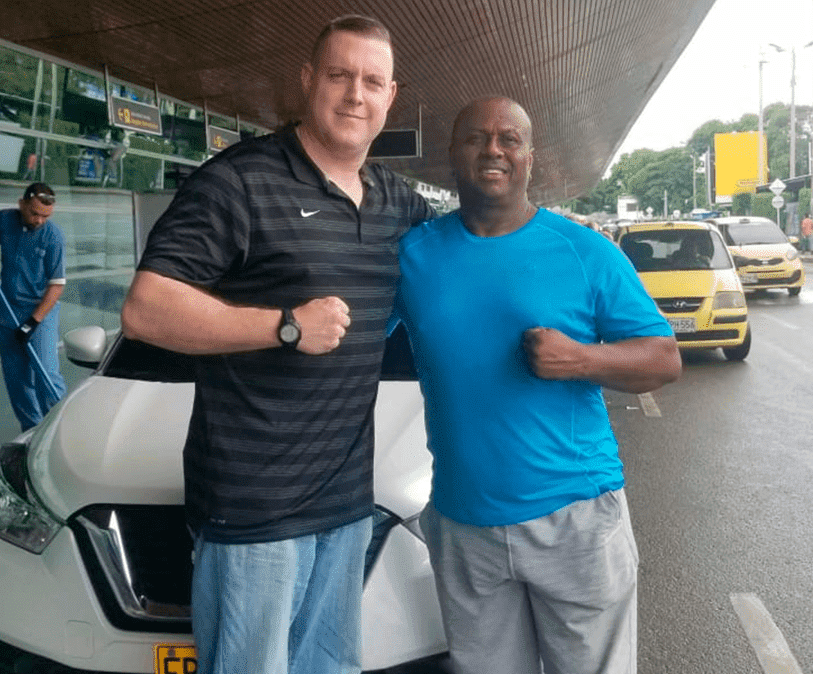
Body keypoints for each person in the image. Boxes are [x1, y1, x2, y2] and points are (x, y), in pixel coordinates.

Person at [120, 14, 434, 674]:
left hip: (347, 504)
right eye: (339, 75)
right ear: (306, 80)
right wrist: (283, 326)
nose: (355, 95)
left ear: (390, 97)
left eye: (371, 81)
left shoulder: (395, 204)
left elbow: (469, 266)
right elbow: (146, 309)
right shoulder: (239, 181)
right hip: (252, 511)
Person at [394, 97, 682, 674]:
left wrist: (580, 359)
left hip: (574, 517)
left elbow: (664, 358)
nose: (493, 149)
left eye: (509, 139)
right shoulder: (413, 255)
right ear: (452, 154)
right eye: (476, 138)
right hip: (463, 522)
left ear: (531, 157)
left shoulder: (585, 251)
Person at [0, 182, 67, 431]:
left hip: (41, 314)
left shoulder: (53, 236)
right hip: (7, 312)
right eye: (34, 213)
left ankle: (60, 431)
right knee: (18, 383)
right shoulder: (5, 221)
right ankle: (31, 435)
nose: (39, 220)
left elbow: (57, 285)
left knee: (46, 377)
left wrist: (33, 322)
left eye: (45, 216)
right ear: (22, 204)